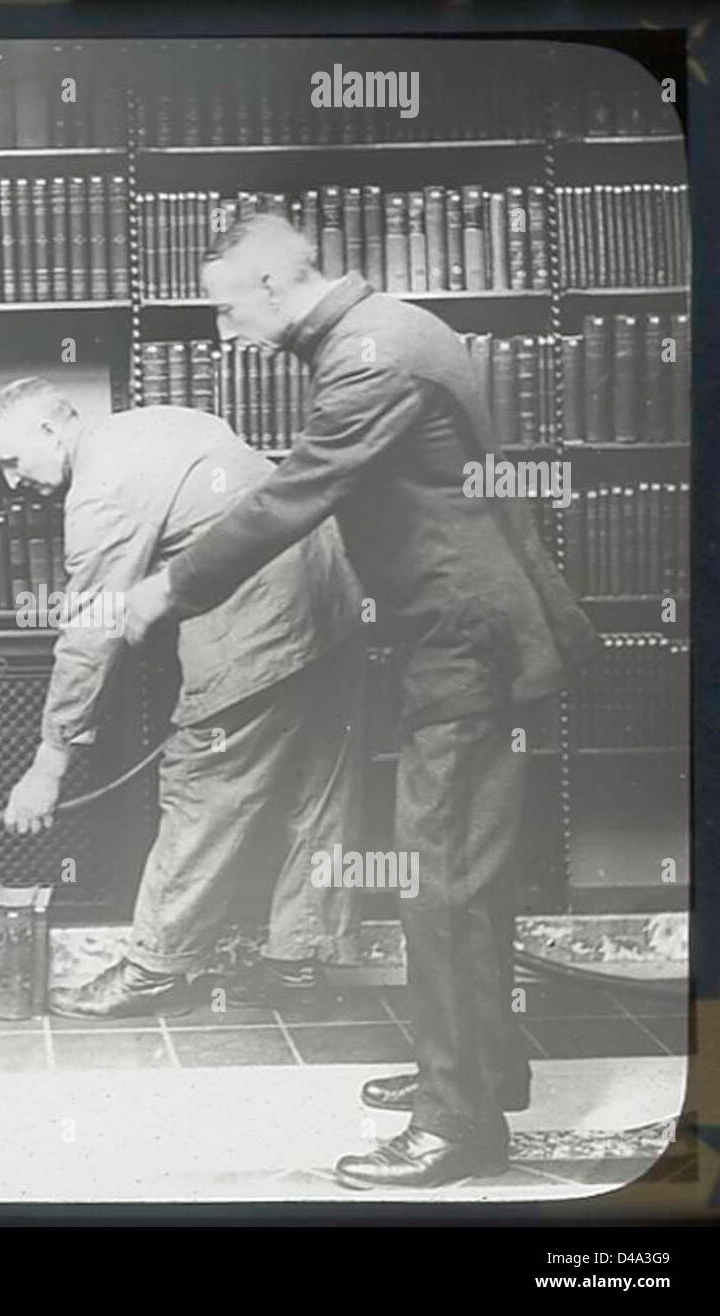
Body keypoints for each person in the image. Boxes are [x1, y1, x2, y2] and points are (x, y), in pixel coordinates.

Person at [120, 214, 596, 1188]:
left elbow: (295, 493)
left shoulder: (370, 360)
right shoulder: (388, 326)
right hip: (471, 632)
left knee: (442, 879)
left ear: (274, 280)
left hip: (466, 644)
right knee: (466, 871)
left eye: (226, 306)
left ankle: (454, 1124)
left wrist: (168, 587)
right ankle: (482, 1066)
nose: (220, 330)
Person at [0, 378, 367, 1019]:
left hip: (263, 623)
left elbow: (90, 633)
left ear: (51, 430)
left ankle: (157, 970)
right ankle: (300, 964)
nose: (12, 483)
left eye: (12, 462)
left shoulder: (100, 489)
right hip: (336, 604)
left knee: (200, 787)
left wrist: (49, 764)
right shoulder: (154, 422)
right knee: (317, 793)